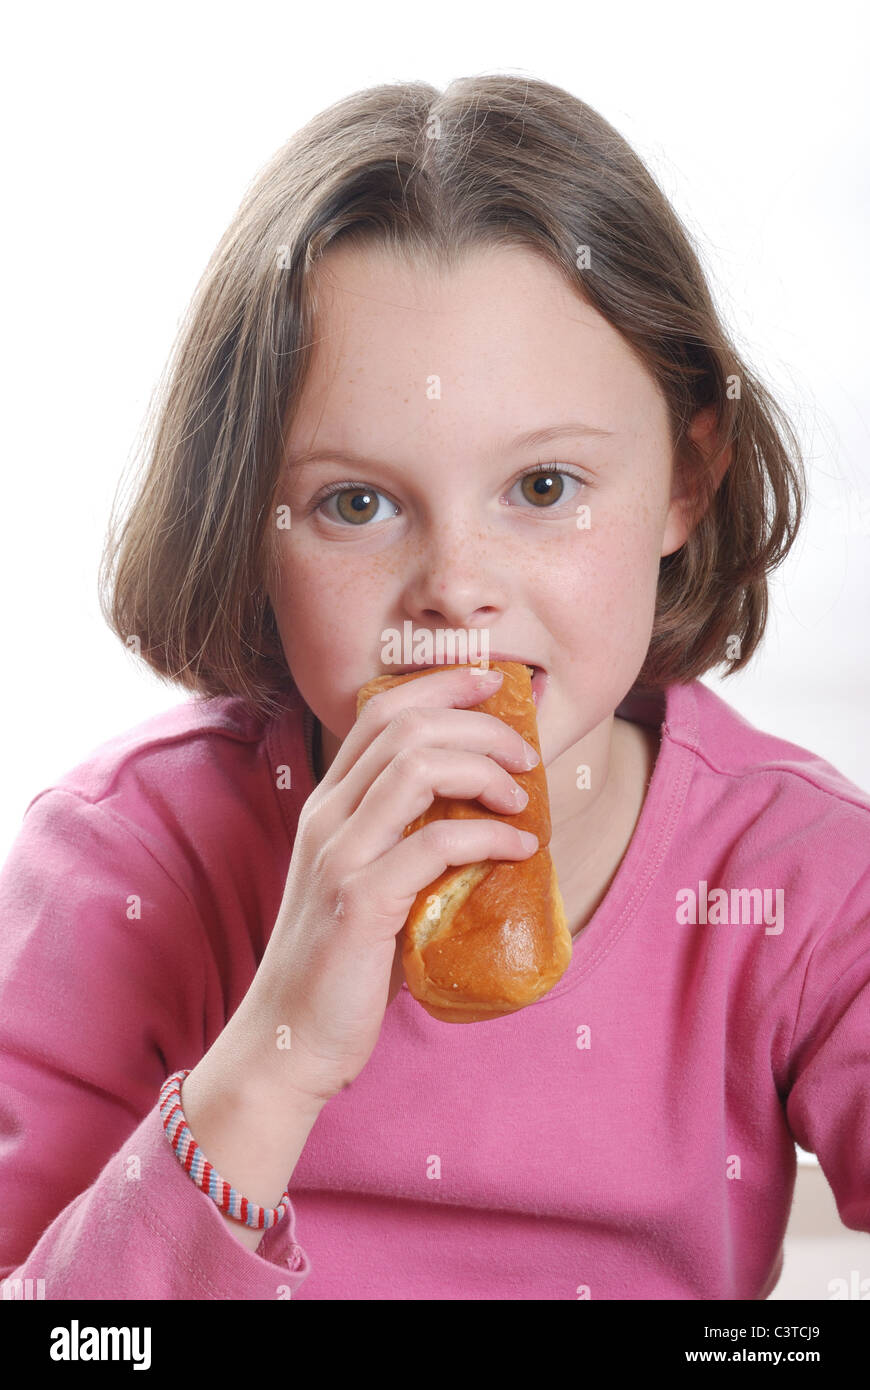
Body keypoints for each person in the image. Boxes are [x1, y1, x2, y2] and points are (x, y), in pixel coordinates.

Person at [1, 74, 867, 1301]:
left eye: (545, 487)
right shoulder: (127, 863)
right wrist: (271, 1059)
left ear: (689, 476)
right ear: (249, 520)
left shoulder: (804, 883)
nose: (456, 589)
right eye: (358, 503)